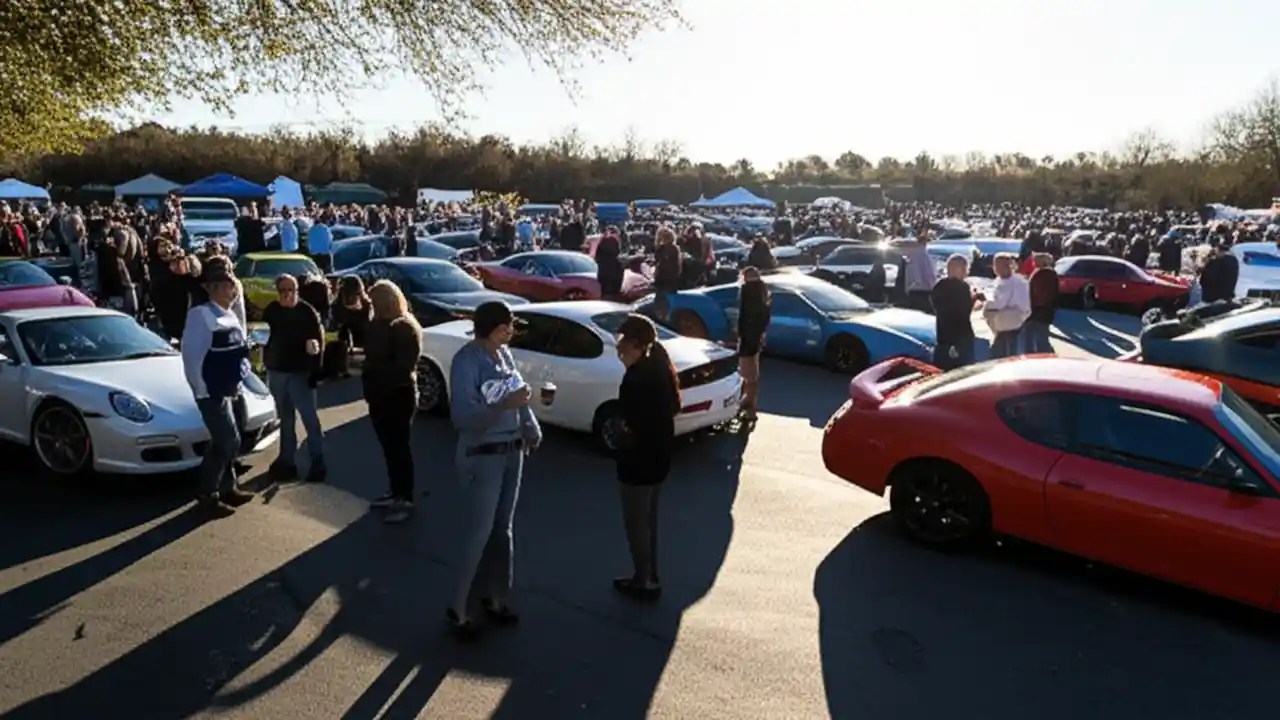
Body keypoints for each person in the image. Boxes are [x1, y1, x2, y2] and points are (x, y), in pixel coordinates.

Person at [447, 301, 542, 638]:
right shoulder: (466, 361)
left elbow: (520, 397)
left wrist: (530, 426)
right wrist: (504, 405)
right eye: (504, 327)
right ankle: (458, 606)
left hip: (512, 451)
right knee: (479, 532)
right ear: (488, 327)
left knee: (503, 530)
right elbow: (463, 417)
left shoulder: (504, 355)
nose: (509, 332)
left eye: (510, 326)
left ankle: (496, 598)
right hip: (482, 453)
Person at [613, 313, 681, 600]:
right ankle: (649, 573)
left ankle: (644, 580)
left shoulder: (636, 379)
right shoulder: (660, 368)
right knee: (649, 521)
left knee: (636, 522)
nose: (619, 349)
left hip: (637, 462)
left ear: (636, 345)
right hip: (659, 458)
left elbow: (630, 422)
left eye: (622, 343)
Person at [180, 260, 255, 517]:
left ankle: (227, 487)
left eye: (230, 286)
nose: (229, 291)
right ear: (210, 288)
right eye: (222, 286)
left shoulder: (230, 313)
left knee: (230, 439)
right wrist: (201, 389)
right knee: (227, 440)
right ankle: (207, 495)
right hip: (212, 390)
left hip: (230, 387)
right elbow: (192, 356)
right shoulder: (200, 315)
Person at [363, 280, 424, 523]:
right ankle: (394, 491)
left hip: (398, 394)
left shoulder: (403, 327)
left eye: (373, 301)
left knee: (399, 448)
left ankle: (405, 498)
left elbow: (404, 366)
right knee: (389, 448)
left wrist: (371, 367)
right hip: (378, 394)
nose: (370, 306)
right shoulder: (378, 325)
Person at [263, 274, 327, 483]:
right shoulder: (272, 311)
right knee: (285, 419)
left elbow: (319, 342)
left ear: (297, 291)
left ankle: (318, 462)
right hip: (278, 372)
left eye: (292, 290)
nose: (288, 295)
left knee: (310, 420)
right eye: (283, 291)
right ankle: (287, 462)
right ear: (278, 292)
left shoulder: (307, 312)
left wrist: (315, 372)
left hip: (301, 373)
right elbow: (264, 337)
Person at [929, 254, 977, 370]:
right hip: (961, 336)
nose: (967, 273)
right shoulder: (962, 287)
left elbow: (935, 306)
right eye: (966, 269)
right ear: (959, 269)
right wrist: (973, 299)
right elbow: (964, 310)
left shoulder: (938, 286)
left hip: (943, 335)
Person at [737, 268, 770, 421]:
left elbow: (743, 316)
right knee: (754, 375)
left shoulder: (746, 291)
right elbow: (764, 317)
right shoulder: (763, 292)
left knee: (744, 375)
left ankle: (745, 405)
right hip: (756, 338)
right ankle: (751, 409)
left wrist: (739, 334)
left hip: (747, 338)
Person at [983, 253, 1032, 358]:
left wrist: (989, 306)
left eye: (998, 265)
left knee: (1006, 354)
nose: (995, 269)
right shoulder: (999, 281)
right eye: (994, 265)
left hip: (1011, 324)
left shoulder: (1018, 282)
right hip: (1003, 325)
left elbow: (1001, 303)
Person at [1025, 253, 1058, 354]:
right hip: (1043, 311)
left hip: (1039, 312)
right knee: (1038, 337)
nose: (1034, 263)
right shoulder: (1048, 273)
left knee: (1039, 339)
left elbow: (1041, 294)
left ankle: (1046, 357)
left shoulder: (1044, 274)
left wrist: (1033, 308)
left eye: (1035, 261)